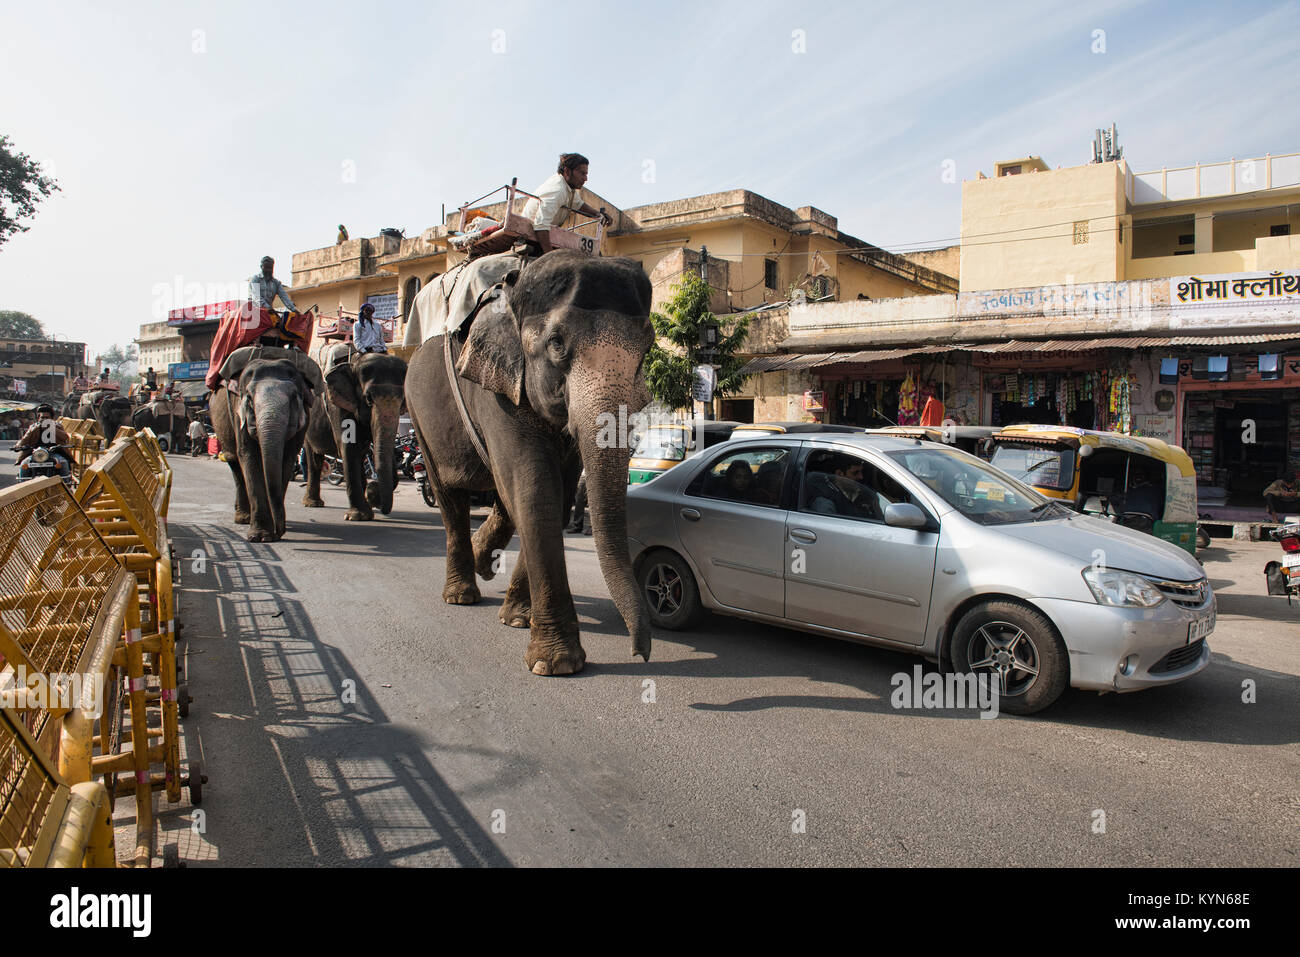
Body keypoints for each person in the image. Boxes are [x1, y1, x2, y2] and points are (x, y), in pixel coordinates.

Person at [522, 153, 612, 255]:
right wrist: (551, 258)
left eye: (586, 174)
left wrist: (598, 215)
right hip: (533, 237)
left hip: (546, 235)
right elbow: (540, 226)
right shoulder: (558, 190)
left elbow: (579, 205)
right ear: (567, 171)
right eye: (582, 174)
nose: (585, 179)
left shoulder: (568, 188)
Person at [15, 404, 72, 480]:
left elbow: (65, 437)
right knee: (24, 464)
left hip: (54, 453)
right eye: (42, 417)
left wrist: (51, 428)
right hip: (36, 453)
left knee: (63, 462)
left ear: (52, 418)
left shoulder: (57, 426)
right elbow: (24, 439)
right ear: (38, 418)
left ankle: (66, 484)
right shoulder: (33, 427)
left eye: (47, 418)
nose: (44, 419)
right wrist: (18, 445)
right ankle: (22, 487)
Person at [566, 470, 590, 534]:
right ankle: (577, 526)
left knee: (592, 501)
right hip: (584, 475)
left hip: (595, 475)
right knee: (579, 499)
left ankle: (593, 527)